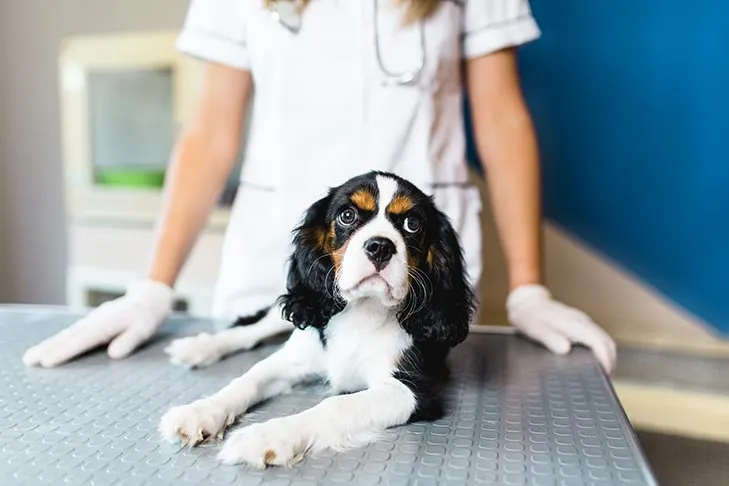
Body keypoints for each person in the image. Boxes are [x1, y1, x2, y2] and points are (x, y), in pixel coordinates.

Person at [23, 0, 616, 372]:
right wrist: (155, 285)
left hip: (410, 287)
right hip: (275, 278)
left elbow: (502, 120)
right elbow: (208, 132)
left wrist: (529, 289)